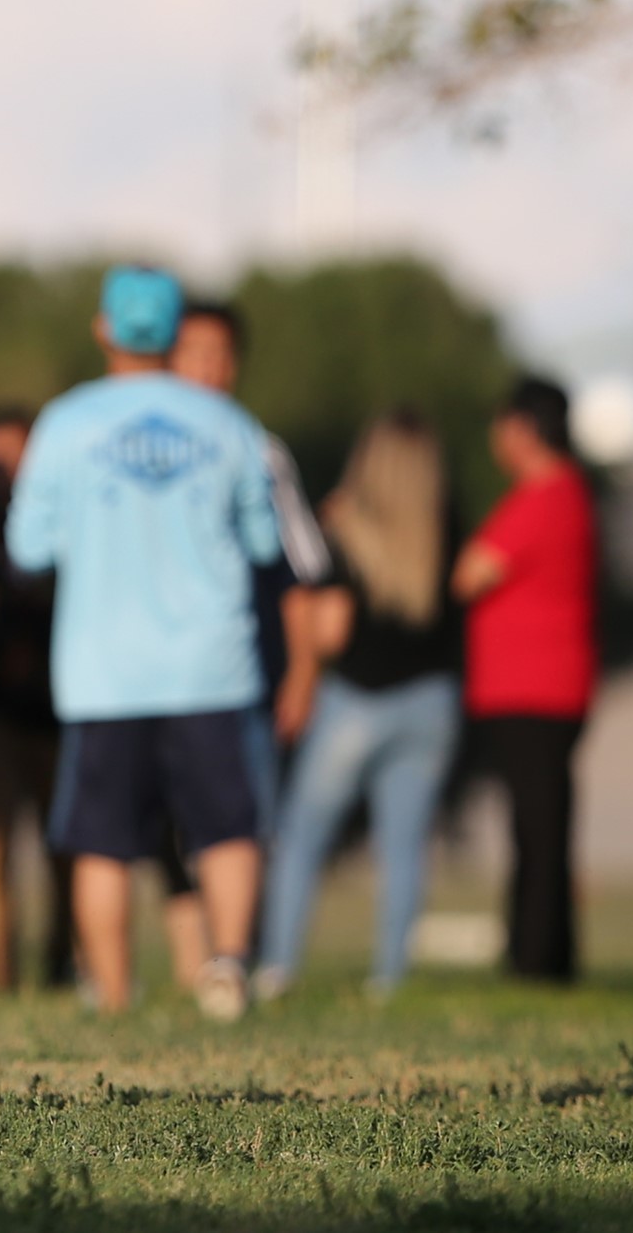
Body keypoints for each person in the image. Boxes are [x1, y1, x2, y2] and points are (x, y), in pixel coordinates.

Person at [6, 265, 280, 1020]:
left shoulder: (66, 423)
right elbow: (263, 541)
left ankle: (116, 992)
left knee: (102, 842)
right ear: (175, 335)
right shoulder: (229, 423)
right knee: (226, 826)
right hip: (212, 667)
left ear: (104, 329)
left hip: (103, 670)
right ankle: (227, 967)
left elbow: (27, 548)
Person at [256, 412, 461, 999]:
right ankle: (388, 977)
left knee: (302, 838)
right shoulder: (448, 526)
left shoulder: (348, 530)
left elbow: (331, 634)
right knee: (403, 848)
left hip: (357, 702)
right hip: (432, 701)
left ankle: (278, 967)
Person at [167, 298, 332, 985]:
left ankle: (237, 963)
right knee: (167, 833)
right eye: (194, 351)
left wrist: (302, 674)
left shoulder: (258, 449)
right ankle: (187, 970)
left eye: (221, 353)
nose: (209, 367)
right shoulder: (126, 446)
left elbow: (297, 571)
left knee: (241, 819)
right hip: (152, 674)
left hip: (243, 673)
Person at [453, 377, 598, 983]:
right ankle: (542, 951)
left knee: (537, 831)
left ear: (524, 429)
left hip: (531, 690)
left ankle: (538, 960)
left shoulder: (541, 497)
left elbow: (470, 573)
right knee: (542, 826)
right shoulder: (568, 495)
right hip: (550, 687)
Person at [0, 403, 72, 991]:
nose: (5, 466)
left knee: (65, 843)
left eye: (16, 452)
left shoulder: (66, 515)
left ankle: (63, 958)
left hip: (58, 701)